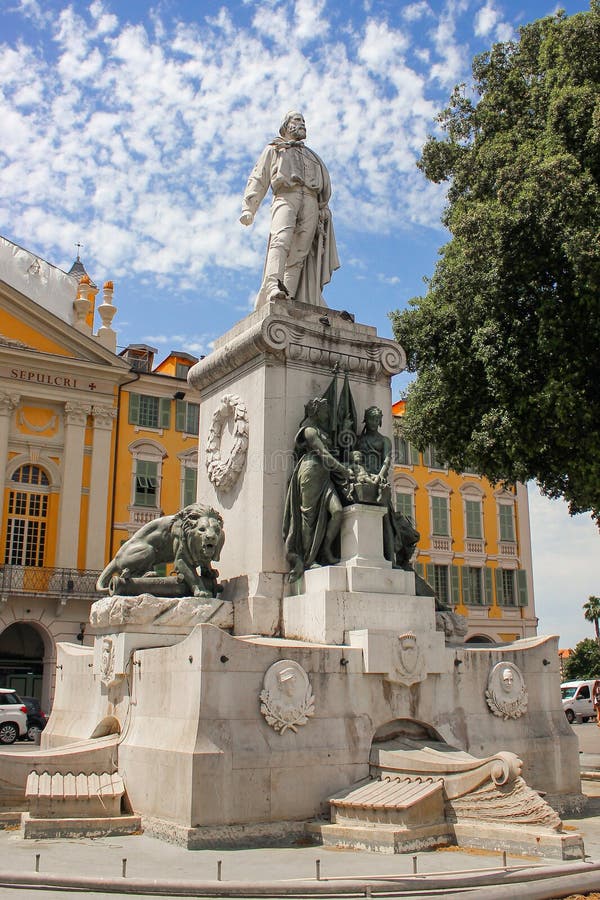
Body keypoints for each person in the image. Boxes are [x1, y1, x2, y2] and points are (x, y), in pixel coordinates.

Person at [240, 111, 340, 307]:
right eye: (297, 120)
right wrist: (249, 208)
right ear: (286, 125)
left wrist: (323, 207)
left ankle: (288, 295)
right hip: (286, 195)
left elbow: (324, 186)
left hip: (311, 199)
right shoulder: (275, 149)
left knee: (301, 251)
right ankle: (272, 287)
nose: (302, 123)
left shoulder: (312, 156)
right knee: (280, 240)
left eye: (304, 120)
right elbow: (259, 177)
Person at [283, 397, 354, 582]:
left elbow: (334, 448)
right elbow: (323, 453)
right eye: (325, 411)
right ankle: (308, 559)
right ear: (315, 411)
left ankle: (325, 549)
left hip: (325, 475)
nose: (328, 414)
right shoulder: (308, 431)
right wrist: (343, 469)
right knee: (309, 517)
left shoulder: (320, 430)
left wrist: (345, 428)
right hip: (311, 472)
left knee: (337, 511)